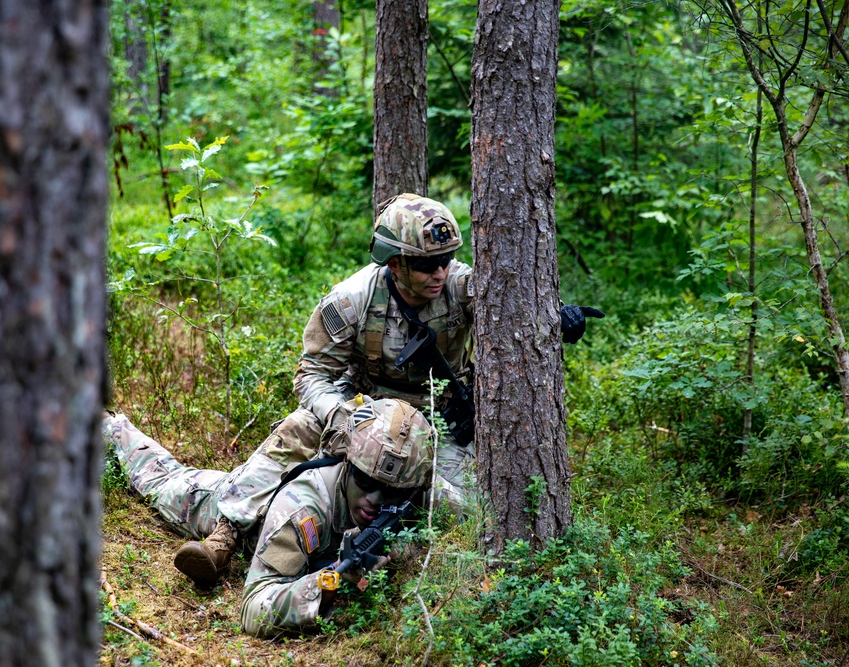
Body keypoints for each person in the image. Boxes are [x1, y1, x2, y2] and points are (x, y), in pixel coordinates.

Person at [174, 193, 604, 587]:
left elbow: (512, 306)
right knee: (297, 428)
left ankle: (388, 561)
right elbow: (311, 375)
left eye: (447, 260)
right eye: (425, 264)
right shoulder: (352, 300)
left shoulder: (462, 286)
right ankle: (225, 535)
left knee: (466, 507)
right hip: (365, 412)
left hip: (438, 423)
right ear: (395, 263)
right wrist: (343, 417)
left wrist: (553, 318)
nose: (440, 272)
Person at [104, 398, 434, 638]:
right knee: (161, 479)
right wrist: (330, 582)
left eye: (391, 491)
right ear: (348, 465)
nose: (375, 500)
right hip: (245, 509)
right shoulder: (303, 507)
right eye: (365, 482)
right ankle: (108, 425)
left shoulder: (413, 480)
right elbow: (253, 609)